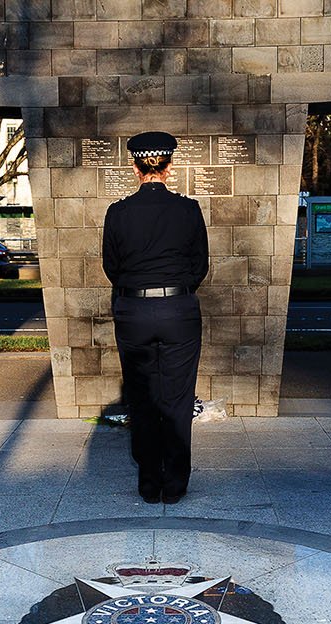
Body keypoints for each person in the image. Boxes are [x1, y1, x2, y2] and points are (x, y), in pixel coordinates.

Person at [102, 131, 209, 505]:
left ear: (135, 166)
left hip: (133, 311)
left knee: (142, 397)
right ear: (169, 165)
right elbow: (200, 266)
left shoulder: (117, 213)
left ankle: (149, 484)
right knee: (177, 399)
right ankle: (175, 485)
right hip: (179, 310)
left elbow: (111, 268)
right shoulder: (188, 210)